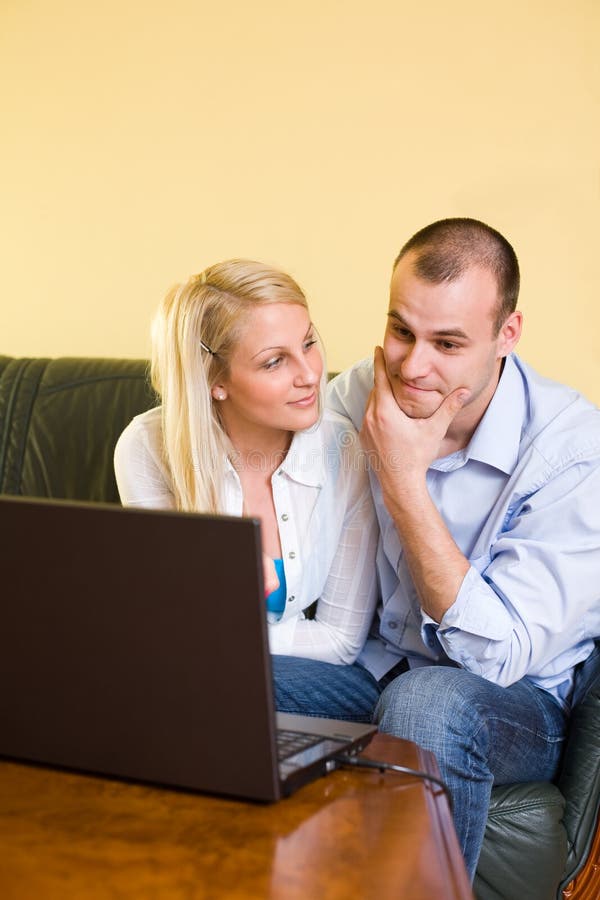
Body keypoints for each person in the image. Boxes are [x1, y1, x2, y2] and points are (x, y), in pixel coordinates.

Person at [277, 218, 600, 879]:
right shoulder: (360, 395)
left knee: (428, 703)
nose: (412, 366)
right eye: (401, 331)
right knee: (219, 677)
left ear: (506, 335)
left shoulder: (572, 453)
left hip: (508, 704)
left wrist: (402, 481)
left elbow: (498, 657)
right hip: (372, 669)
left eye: (447, 343)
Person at [114, 259, 379, 669]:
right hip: (191, 670)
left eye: (308, 344)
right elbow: (166, 618)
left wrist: (230, 628)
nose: (310, 375)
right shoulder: (148, 447)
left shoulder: (344, 448)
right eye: (274, 361)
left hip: (313, 675)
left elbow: (340, 641)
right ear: (215, 382)